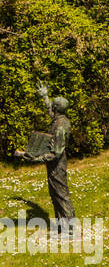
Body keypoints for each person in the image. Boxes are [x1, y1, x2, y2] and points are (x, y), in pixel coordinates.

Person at [12, 86, 75, 234]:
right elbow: (51, 112)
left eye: (53, 104)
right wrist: (45, 96)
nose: (51, 106)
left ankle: (70, 228)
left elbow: (55, 154)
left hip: (57, 165)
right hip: (54, 164)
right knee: (55, 194)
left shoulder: (60, 127)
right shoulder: (60, 119)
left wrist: (32, 158)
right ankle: (62, 226)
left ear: (57, 108)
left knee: (61, 195)